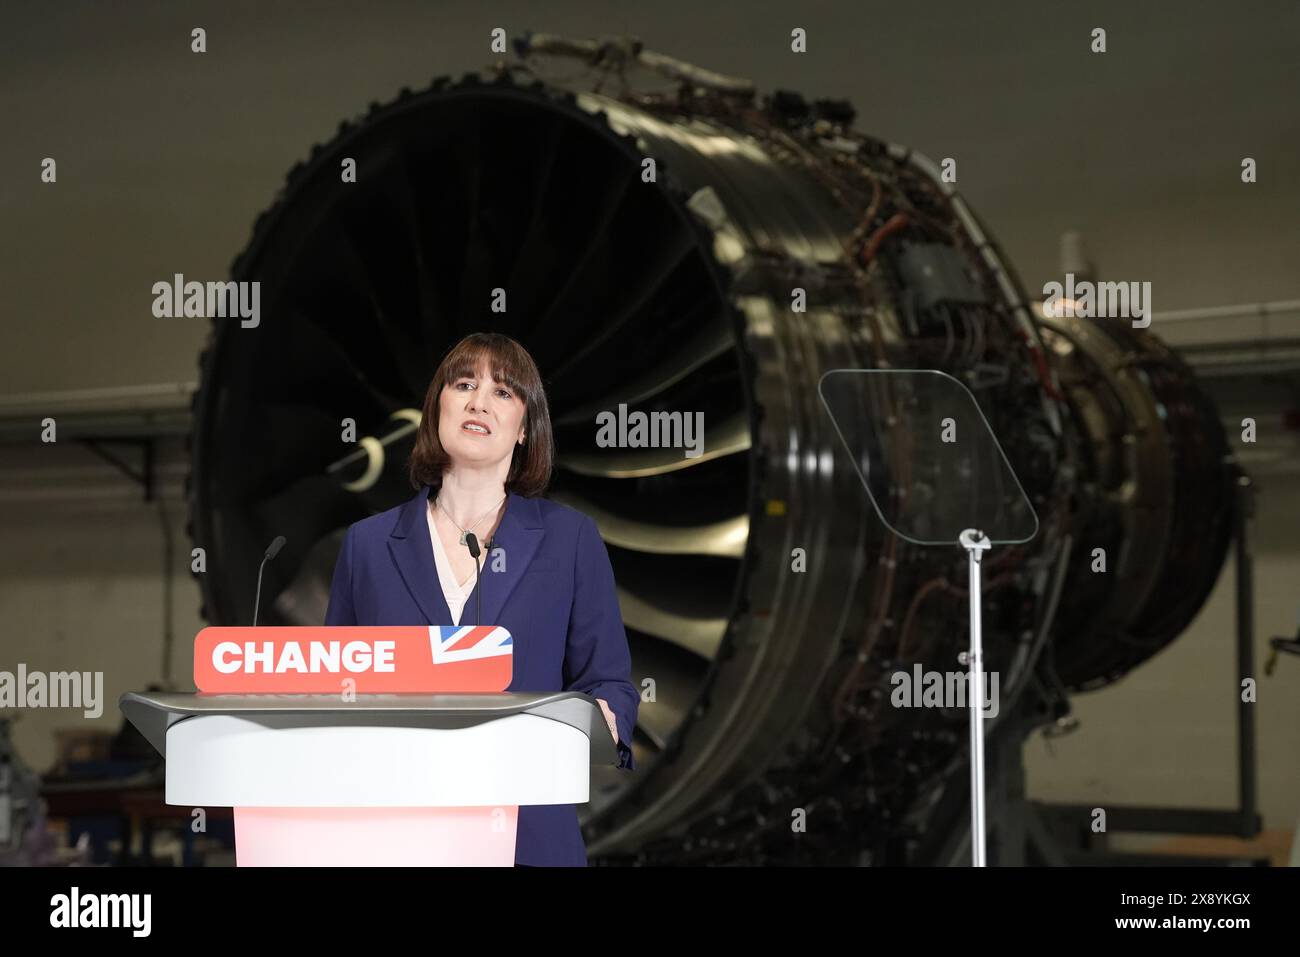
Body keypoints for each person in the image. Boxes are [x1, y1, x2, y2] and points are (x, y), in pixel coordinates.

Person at [324, 332, 638, 866]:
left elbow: (607, 678)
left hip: (528, 836)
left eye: (503, 392)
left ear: (524, 430)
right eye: (464, 384)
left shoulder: (570, 540)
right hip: (395, 836)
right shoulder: (367, 545)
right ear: (437, 409)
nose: (479, 401)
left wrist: (606, 714)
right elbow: (333, 686)